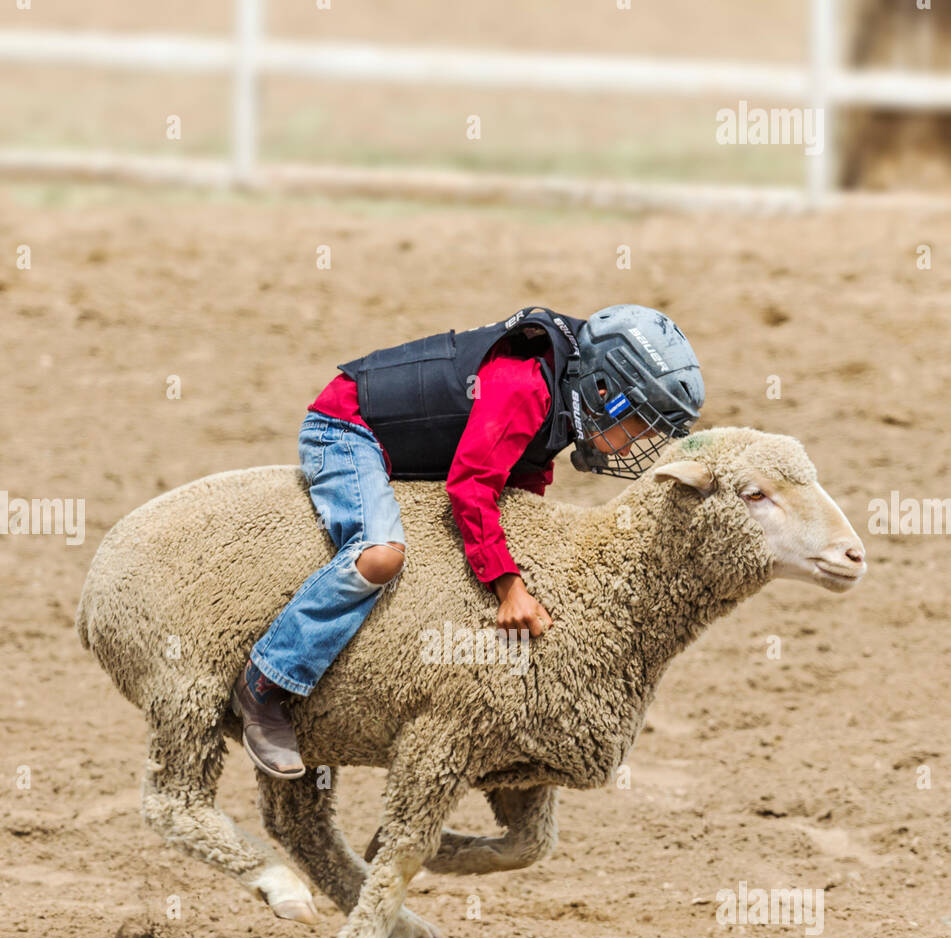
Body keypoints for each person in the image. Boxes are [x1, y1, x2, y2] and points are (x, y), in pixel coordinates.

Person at [231, 303, 705, 778]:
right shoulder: (525, 387)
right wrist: (506, 584)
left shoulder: (562, 388)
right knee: (379, 556)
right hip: (346, 429)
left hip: (408, 450)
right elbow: (471, 486)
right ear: (605, 392)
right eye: (640, 424)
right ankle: (266, 680)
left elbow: (522, 482)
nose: (636, 442)